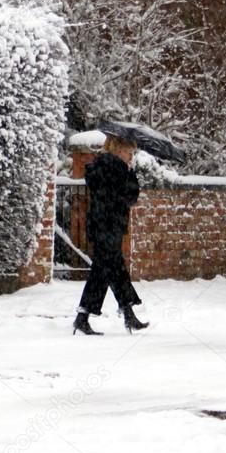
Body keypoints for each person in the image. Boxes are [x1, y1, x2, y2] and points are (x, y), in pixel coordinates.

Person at [73, 133, 149, 335]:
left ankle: (126, 313)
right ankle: (87, 316)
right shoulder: (116, 170)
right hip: (109, 226)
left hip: (102, 226)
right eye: (129, 153)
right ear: (119, 150)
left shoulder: (102, 167)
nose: (131, 157)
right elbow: (129, 197)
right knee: (106, 270)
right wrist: (130, 175)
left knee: (111, 269)